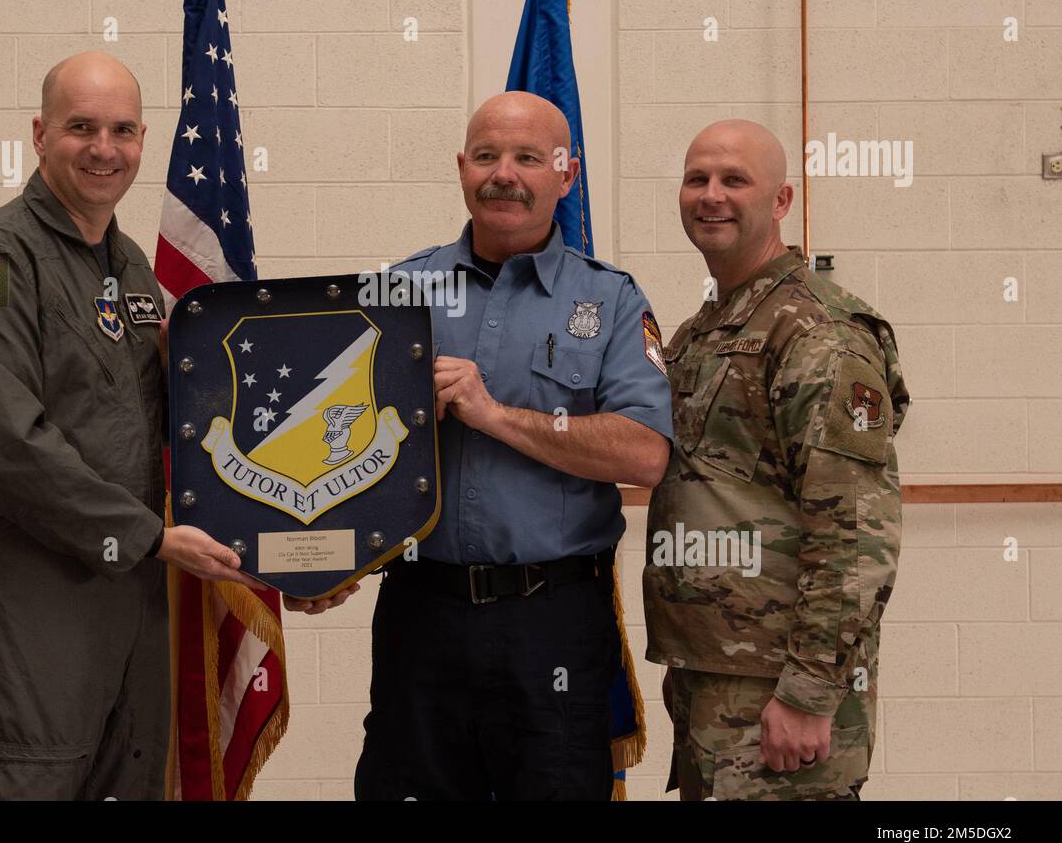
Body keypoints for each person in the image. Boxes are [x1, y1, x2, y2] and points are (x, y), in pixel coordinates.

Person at [293, 90, 673, 800]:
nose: (505, 173)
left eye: (529, 157)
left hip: (551, 619)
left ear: (567, 173)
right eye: (487, 155)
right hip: (420, 613)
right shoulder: (398, 290)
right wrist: (325, 561)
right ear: (462, 168)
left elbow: (645, 452)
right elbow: (336, 450)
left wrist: (491, 413)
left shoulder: (610, 301)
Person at [0, 51, 251, 800]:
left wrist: (285, 544)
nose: (104, 149)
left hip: (131, 607)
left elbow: (185, 427)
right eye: (81, 128)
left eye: (123, 130)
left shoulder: (128, 268)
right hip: (30, 605)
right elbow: (2, 441)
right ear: (40, 133)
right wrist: (151, 538)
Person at [644, 119, 909, 801]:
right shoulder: (708, 329)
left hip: (777, 697)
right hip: (713, 681)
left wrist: (809, 693)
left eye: (735, 180)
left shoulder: (817, 332)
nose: (711, 195)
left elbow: (855, 534)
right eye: (696, 178)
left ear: (782, 200)